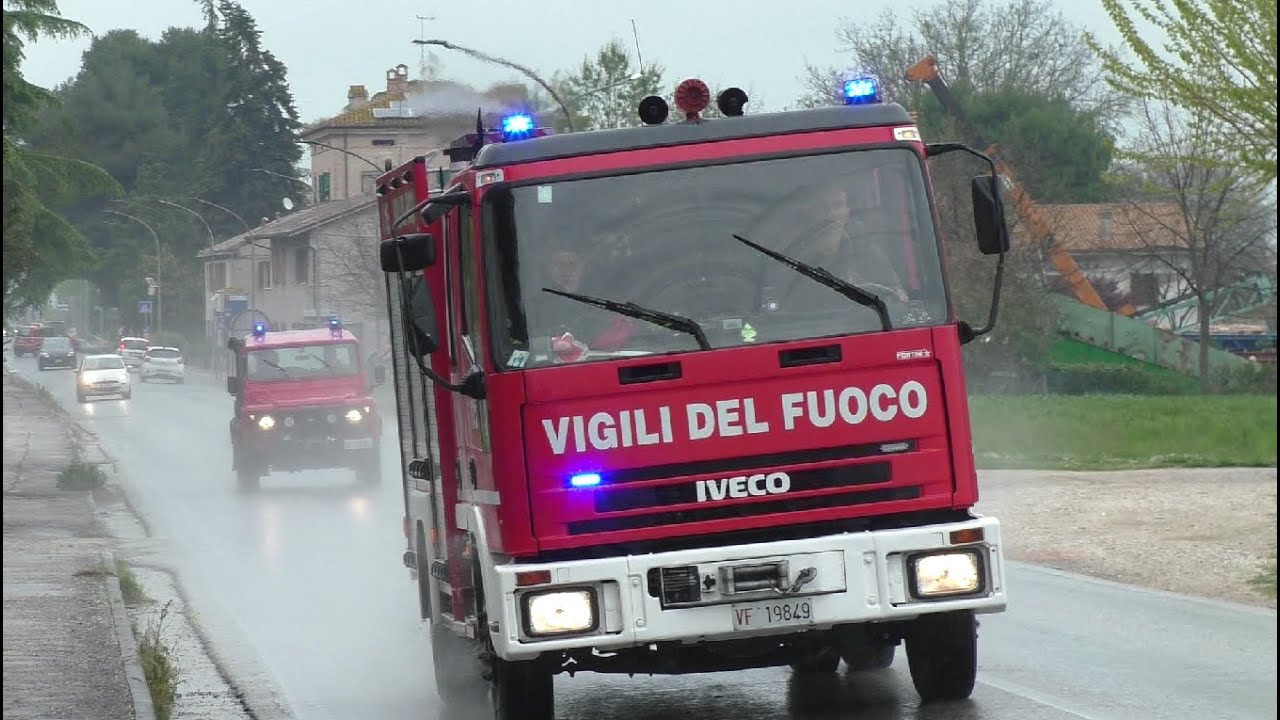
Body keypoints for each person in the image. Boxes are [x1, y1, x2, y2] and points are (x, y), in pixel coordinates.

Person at [777, 184, 909, 309]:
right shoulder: (793, 260)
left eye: (838, 206)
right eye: (823, 207)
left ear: (847, 213)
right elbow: (784, 311)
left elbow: (898, 298)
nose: (831, 214)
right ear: (812, 214)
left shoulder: (870, 255)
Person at [537, 245, 636, 358]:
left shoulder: (602, 301)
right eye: (559, 265)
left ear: (582, 267)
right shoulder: (535, 307)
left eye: (572, 264)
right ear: (548, 269)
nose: (565, 271)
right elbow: (528, 341)